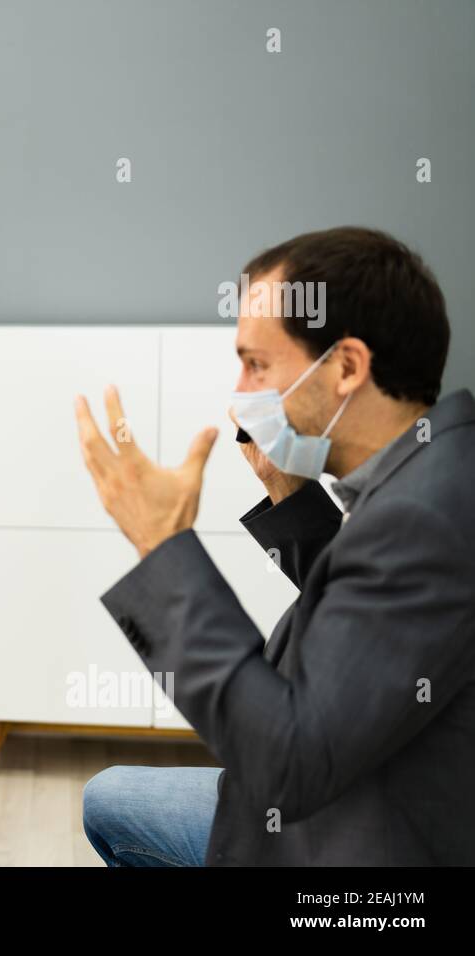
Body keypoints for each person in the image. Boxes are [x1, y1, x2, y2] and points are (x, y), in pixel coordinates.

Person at [75, 226, 475, 865]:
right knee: (112, 797)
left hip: (358, 848)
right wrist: (290, 495)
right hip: (358, 787)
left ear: (346, 367)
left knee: (113, 801)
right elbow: (368, 623)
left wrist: (162, 546)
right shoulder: (437, 468)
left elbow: (287, 762)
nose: (241, 391)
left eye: (256, 363)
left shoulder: (428, 518)